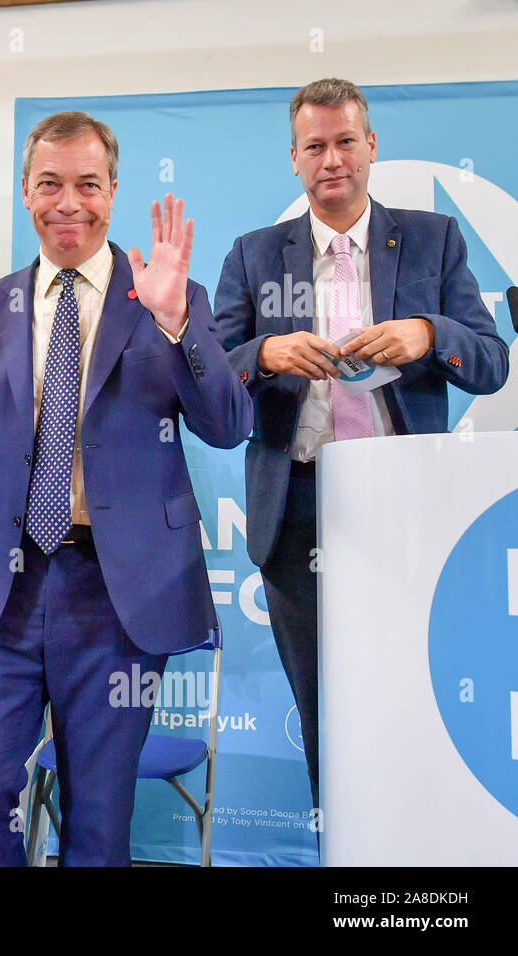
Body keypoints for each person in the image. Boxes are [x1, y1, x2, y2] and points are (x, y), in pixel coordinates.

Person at [0, 112, 252, 865]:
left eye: (87, 185)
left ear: (113, 193)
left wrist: (177, 327)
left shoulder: (169, 297)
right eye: (50, 184)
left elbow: (228, 424)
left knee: (98, 818)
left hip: (116, 595)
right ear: (25, 192)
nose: (68, 202)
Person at [213, 77, 509, 815]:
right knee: (323, 708)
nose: (332, 159)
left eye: (346, 141)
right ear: (294, 159)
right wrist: (268, 353)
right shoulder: (253, 256)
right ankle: (340, 848)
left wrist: (430, 334)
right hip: (297, 511)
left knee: (410, 695)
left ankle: (416, 854)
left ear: (371, 146)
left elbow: (493, 360)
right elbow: (211, 378)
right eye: (315, 146)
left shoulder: (434, 239)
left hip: (408, 509)